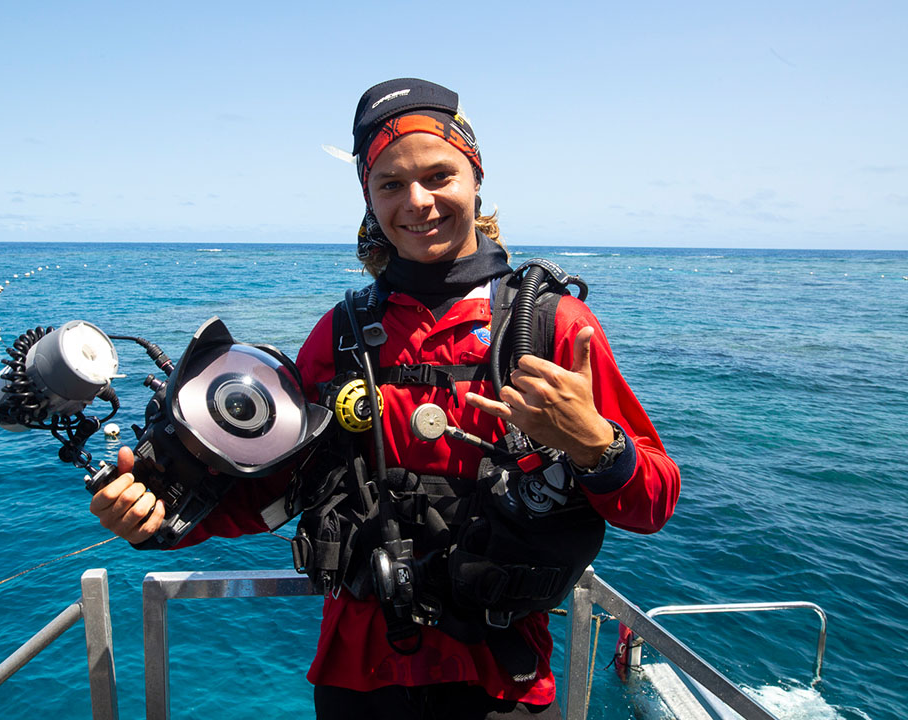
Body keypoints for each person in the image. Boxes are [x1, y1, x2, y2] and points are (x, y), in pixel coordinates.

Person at [90, 78, 680, 719]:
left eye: (439, 176)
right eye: (391, 184)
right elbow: (270, 490)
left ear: (476, 179)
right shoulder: (339, 336)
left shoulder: (550, 327)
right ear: (369, 199)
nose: (418, 202)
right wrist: (159, 519)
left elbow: (651, 503)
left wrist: (599, 446)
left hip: (501, 678)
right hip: (362, 671)